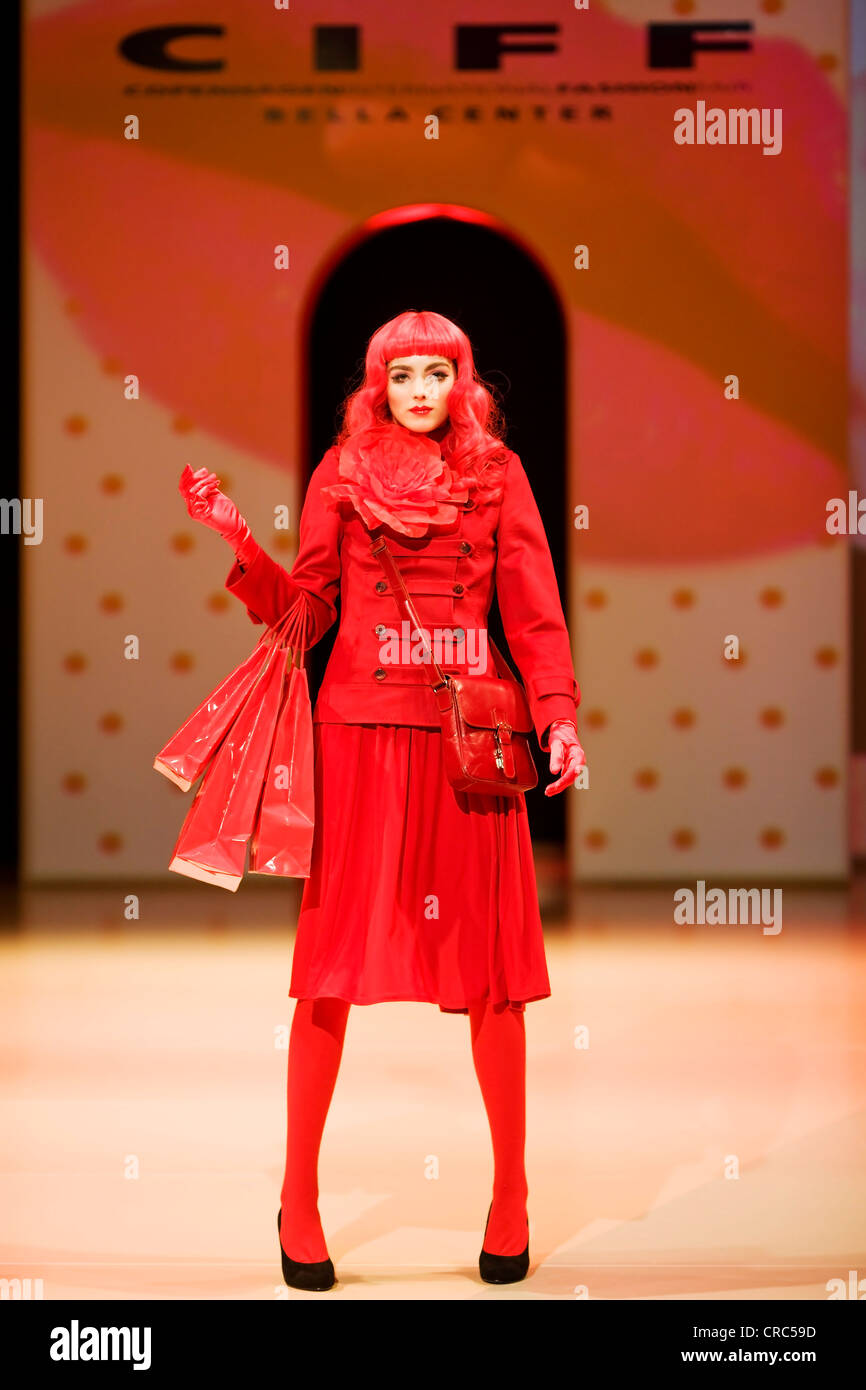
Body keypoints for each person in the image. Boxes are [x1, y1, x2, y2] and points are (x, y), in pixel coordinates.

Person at [180, 310, 586, 1290]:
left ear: (459, 383)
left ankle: (510, 1198)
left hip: (469, 739)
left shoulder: (498, 474)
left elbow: (529, 609)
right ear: (375, 385)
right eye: (398, 373)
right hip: (358, 735)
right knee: (328, 966)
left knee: (493, 971)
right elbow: (310, 610)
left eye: (434, 373)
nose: (416, 389)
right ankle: (301, 1198)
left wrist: (559, 713)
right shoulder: (339, 475)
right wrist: (242, 547)